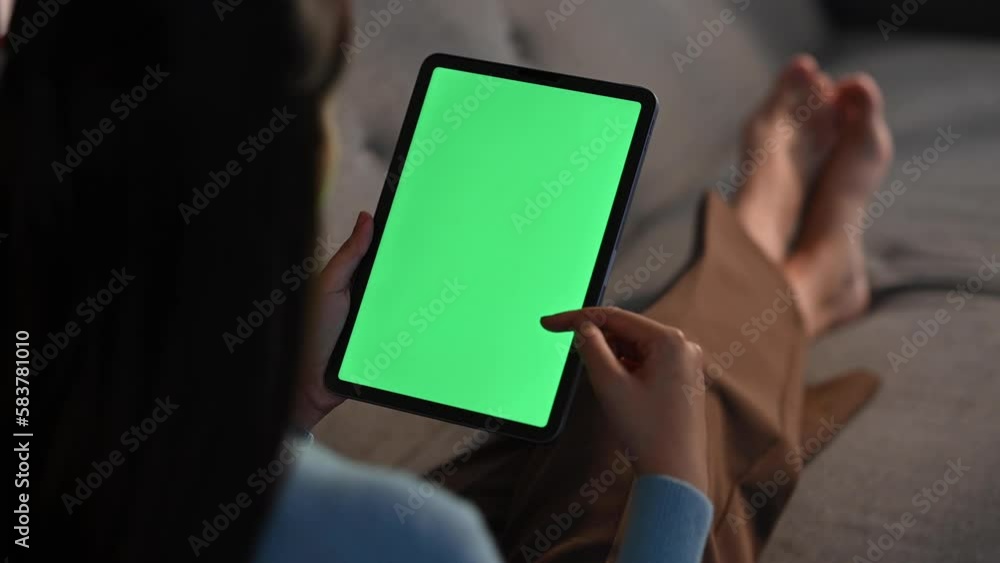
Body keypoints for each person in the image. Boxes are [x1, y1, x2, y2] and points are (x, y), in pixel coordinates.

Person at [4, 1, 889, 562]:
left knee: (586, 404)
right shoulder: (418, 539)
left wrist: (284, 425)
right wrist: (675, 485)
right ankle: (793, 275)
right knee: (642, 460)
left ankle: (788, 266)